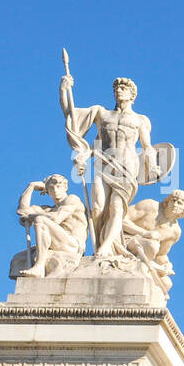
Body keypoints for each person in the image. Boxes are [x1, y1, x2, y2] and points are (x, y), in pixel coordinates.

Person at [60, 75, 161, 259]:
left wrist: (153, 166)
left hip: (127, 166)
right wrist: (64, 90)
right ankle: (99, 244)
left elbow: (147, 147)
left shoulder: (140, 120)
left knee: (116, 207)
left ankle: (105, 248)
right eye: (116, 89)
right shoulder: (101, 113)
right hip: (103, 163)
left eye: (123, 89)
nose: (118, 91)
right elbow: (71, 116)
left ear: (132, 95)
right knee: (98, 207)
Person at [15, 174, 87, 277]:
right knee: (19, 258)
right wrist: (31, 186)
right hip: (59, 243)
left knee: (40, 219)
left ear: (65, 187)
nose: (56, 191)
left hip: (74, 245)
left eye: (58, 187)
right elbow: (22, 210)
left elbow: (57, 218)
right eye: (51, 189)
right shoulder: (48, 210)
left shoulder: (72, 199)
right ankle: (39, 265)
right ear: (47, 192)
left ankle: (39, 267)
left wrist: (31, 216)